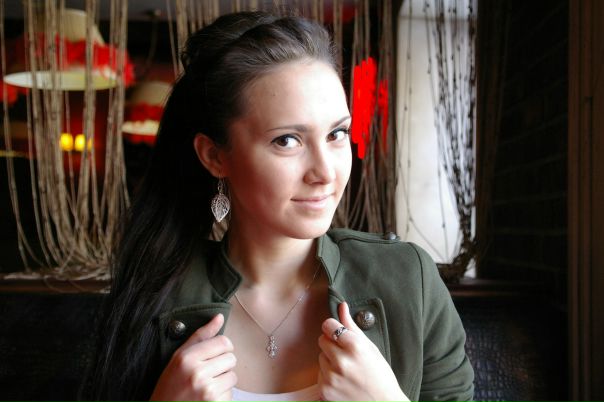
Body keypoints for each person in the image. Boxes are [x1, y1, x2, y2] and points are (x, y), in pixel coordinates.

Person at [82, 11, 474, 402]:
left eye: (337, 133)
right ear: (214, 156)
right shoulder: (154, 293)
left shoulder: (409, 281)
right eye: (287, 140)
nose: (325, 172)